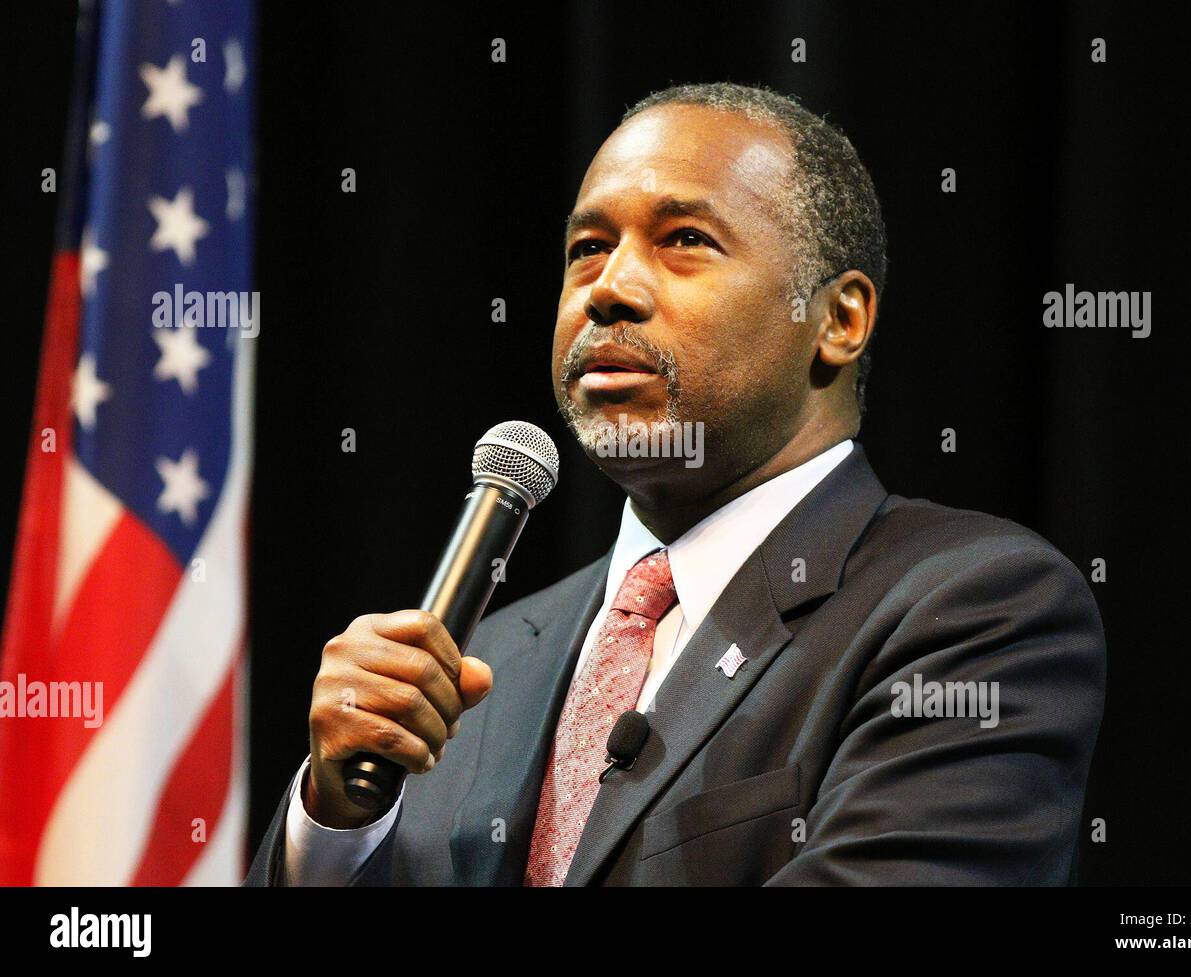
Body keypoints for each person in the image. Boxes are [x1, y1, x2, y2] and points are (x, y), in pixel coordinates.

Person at [246, 82, 1105, 886]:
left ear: (838, 320)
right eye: (588, 248)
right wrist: (335, 825)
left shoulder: (977, 608)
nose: (609, 289)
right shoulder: (484, 662)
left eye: (684, 240)